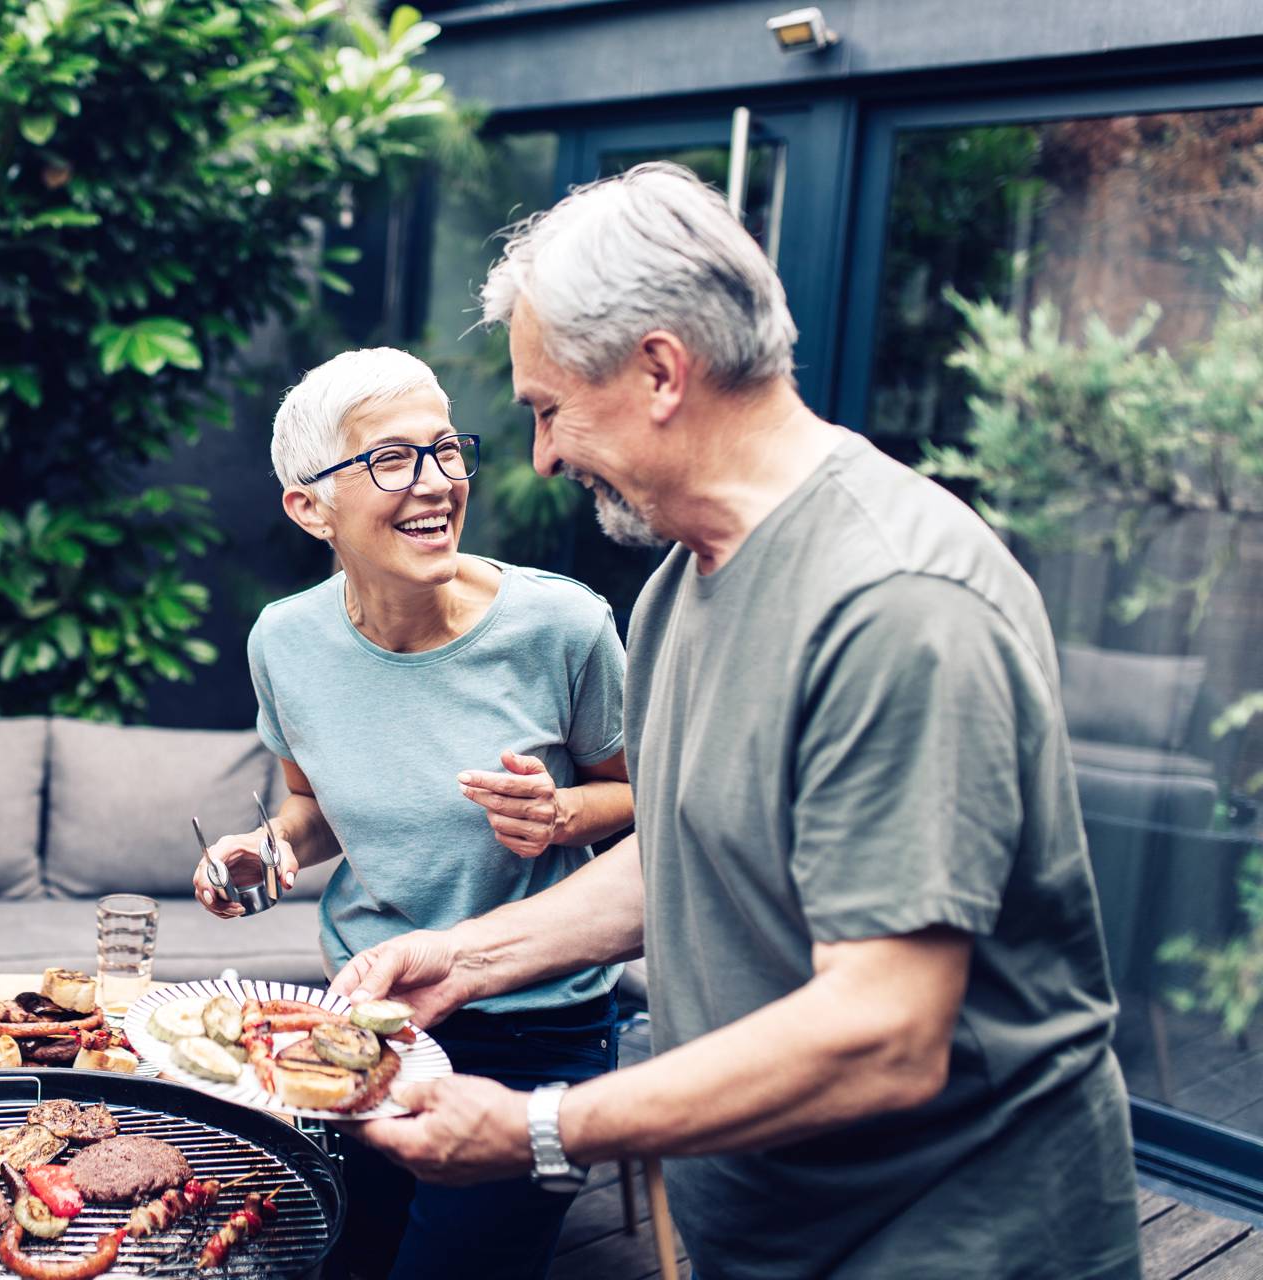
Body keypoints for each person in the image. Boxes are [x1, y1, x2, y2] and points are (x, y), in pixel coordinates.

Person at [328, 164, 1141, 1280]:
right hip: (767, 1230)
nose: (545, 456)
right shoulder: (681, 584)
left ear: (661, 368)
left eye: (549, 408)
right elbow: (686, 854)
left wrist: (537, 1127)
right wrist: (467, 957)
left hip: (953, 1241)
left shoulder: (897, 602)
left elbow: (886, 1032)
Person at [190, 346, 637, 1278]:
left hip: (534, 1025)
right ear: (310, 506)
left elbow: (647, 809)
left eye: (447, 449)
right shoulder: (286, 641)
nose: (436, 482)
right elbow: (311, 807)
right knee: (342, 1262)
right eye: (391, 460)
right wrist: (264, 849)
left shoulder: (565, 627)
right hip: (365, 1019)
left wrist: (561, 814)